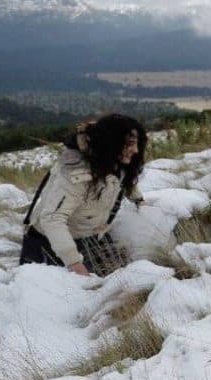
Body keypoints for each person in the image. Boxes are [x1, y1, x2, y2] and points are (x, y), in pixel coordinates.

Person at [20, 113, 147, 276]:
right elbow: (52, 218)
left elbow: (122, 181)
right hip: (50, 244)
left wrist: (139, 200)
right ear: (112, 142)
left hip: (92, 236)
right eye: (130, 144)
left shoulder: (113, 160)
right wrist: (74, 263)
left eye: (137, 144)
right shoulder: (76, 173)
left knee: (121, 281)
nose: (136, 150)